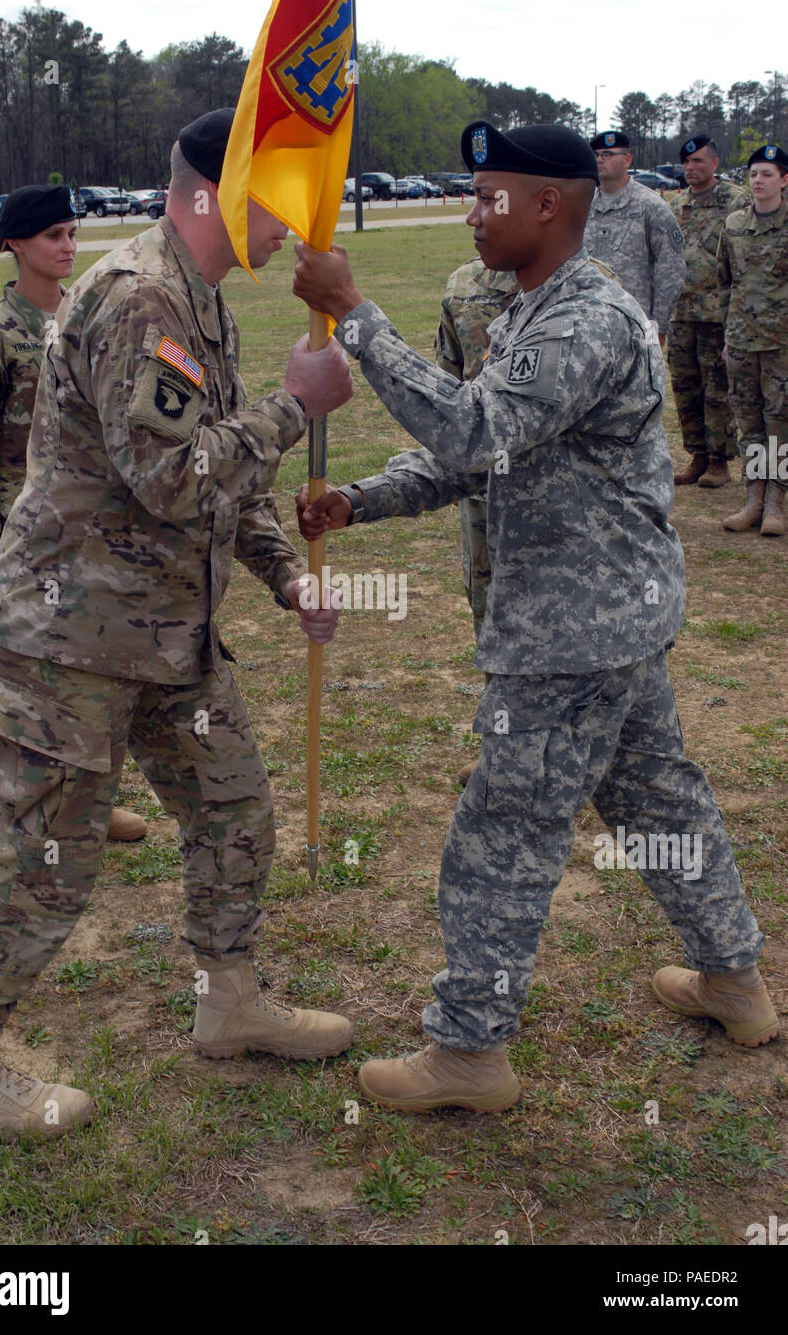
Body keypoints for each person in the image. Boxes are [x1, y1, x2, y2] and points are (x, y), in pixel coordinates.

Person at [293, 121, 778, 1115]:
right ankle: (733, 976)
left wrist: (354, 313)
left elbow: (474, 424)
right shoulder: (537, 311)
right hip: (607, 624)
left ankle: (469, 1048)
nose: (473, 215)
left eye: (489, 199)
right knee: (658, 804)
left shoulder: (590, 319)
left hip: (570, 632)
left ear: (547, 206)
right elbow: (482, 450)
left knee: (500, 831)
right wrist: (360, 498)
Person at [0, 109, 355, 1141]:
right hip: (73, 645)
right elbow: (173, 476)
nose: (294, 220)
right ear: (218, 190)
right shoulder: (137, 295)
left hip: (170, 639)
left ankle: (229, 996)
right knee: (47, 860)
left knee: (235, 810)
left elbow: (226, 479)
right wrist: (296, 407)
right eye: (278, 193)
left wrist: (287, 578)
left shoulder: (202, 303)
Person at [0, 184, 147, 844]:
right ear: (14, 244)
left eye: (71, 232)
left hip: (95, 534)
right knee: (33, 686)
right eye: (52, 235)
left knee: (100, 676)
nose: (68, 246)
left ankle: (92, 801)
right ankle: (35, 811)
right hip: (22, 542)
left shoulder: (90, 318)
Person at [437, 251, 621, 788]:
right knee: (491, 613)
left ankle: (582, 746)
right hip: (485, 487)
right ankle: (508, 748)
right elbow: (448, 383)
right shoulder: (461, 282)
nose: (478, 215)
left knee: (569, 617)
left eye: (492, 199)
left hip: (562, 494)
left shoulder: (593, 286)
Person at [667, 135, 750, 488]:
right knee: (686, 388)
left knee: (718, 390)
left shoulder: (735, 201)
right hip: (681, 311)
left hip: (717, 312)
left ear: (714, 164)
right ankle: (697, 455)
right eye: (686, 163)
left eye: (698, 161)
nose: (690, 168)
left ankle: (719, 461)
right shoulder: (676, 204)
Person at [718, 144, 788, 537]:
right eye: (754, 174)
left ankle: (777, 502)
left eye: (767, 174)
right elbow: (726, 281)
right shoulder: (733, 225)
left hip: (782, 345)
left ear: (784, 180)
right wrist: (730, 334)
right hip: (743, 342)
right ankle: (754, 498)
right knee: (749, 424)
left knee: (780, 426)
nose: (758, 181)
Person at [584, 130, 685, 343]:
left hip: (634, 325)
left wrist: (658, 326)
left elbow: (670, 270)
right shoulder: (583, 205)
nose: (600, 160)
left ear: (627, 159)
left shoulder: (651, 206)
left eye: (608, 154)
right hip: (588, 323)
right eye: (597, 155)